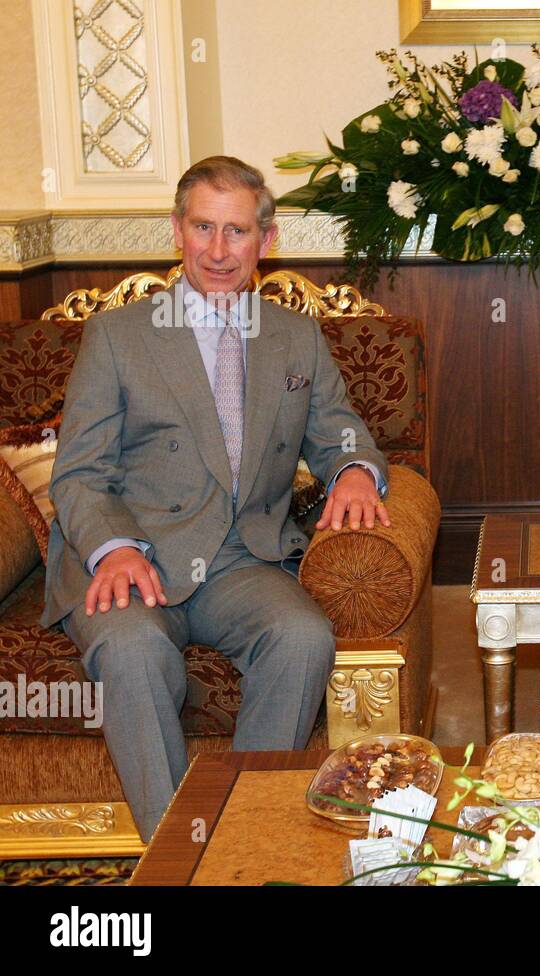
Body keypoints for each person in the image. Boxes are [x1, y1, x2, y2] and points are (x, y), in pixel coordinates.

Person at [42, 156, 392, 841]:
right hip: (134, 556)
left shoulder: (294, 335)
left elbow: (340, 429)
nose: (219, 250)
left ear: (267, 241)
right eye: (203, 227)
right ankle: (180, 852)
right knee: (133, 652)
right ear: (177, 229)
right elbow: (79, 471)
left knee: (302, 636)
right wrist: (110, 549)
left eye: (237, 232)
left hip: (241, 558)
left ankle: (243, 836)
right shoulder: (118, 336)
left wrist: (353, 469)